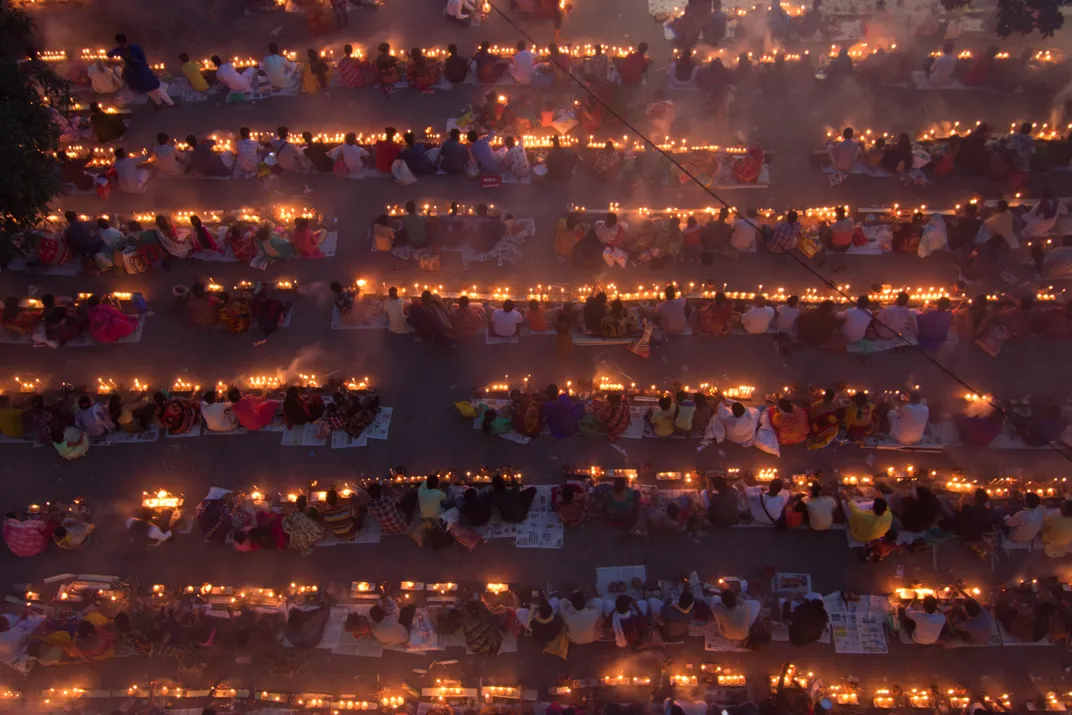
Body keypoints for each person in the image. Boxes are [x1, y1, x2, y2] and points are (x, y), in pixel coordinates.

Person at [109, 35, 172, 106]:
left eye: (123, 43)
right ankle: (159, 103)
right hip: (135, 74)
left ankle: (170, 104)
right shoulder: (121, 50)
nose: (123, 45)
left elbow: (143, 61)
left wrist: (133, 60)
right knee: (149, 91)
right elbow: (110, 54)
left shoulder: (136, 48)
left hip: (143, 72)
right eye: (120, 44)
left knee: (157, 89)